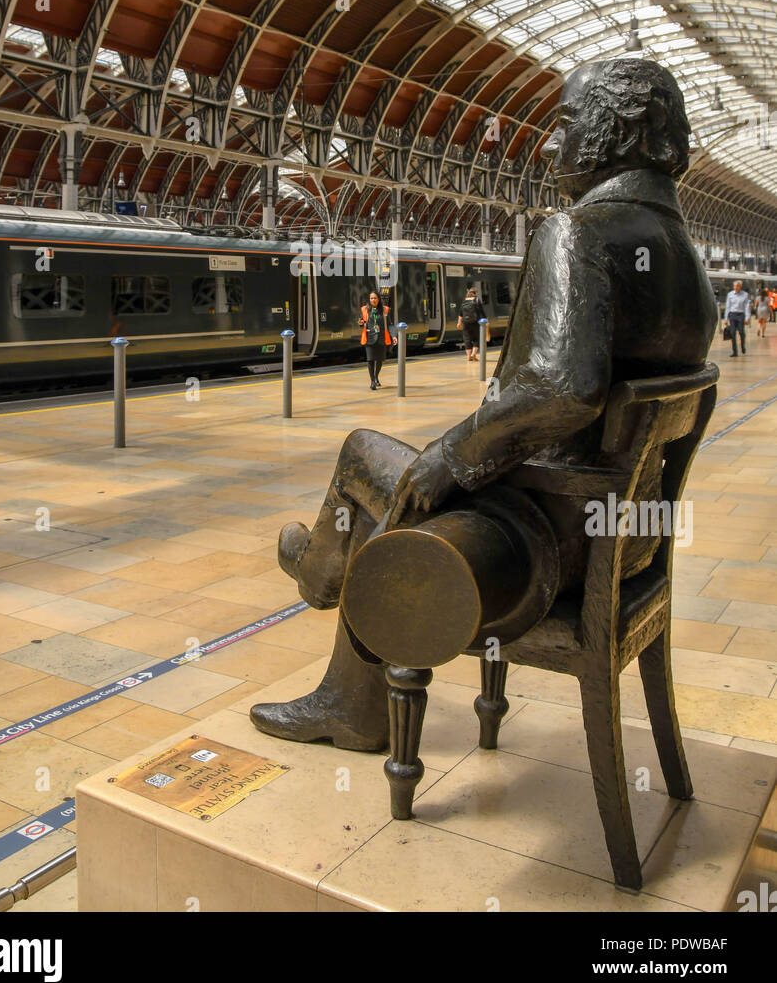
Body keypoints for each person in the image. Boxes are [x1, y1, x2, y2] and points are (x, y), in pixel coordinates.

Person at [250, 54, 717, 751]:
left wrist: (449, 457)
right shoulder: (686, 256)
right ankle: (337, 624)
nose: (549, 145)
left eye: (564, 124)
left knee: (368, 464)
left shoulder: (579, 231)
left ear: (613, 133)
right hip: (621, 540)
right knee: (393, 495)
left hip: (535, 541)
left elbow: (561, 386)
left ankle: (323, 580)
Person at [359, 290, 396, 390]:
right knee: (370, 360)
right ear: (369, 299)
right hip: (369, 338)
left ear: (379, 299)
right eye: (371, 298)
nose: (373, 300)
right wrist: (360, 323)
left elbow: (390, 324)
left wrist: (394, 336)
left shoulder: (385, 310)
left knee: (379, 360)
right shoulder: (364, 310)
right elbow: (361, 322)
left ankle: (376, 377)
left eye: (375, 298)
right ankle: (372, 381)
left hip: (381, 338)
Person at [457, 285, 489, 361]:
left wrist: (459, 323)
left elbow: (460, 314)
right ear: (475, 294)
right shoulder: (477, 300)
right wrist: (486, 320)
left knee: (467, 338)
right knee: (477, 338)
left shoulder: (464, 301)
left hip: (466, 322)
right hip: (476, 322)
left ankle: (468, 356)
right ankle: (473, 354)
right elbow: (482, 312)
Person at [724, 280, 750, 357]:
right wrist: (726, 318)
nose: (735, 287)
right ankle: (734, 351)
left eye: (737, 286)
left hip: (741, 315)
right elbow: (728, 306)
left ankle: (743, 346)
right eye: (734, 286)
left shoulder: (745, 295)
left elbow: (747, 307)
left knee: (741, 332)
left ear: (740, 287)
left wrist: (747, 317)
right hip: (732, 315)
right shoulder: (730, 294)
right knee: (732, 333)